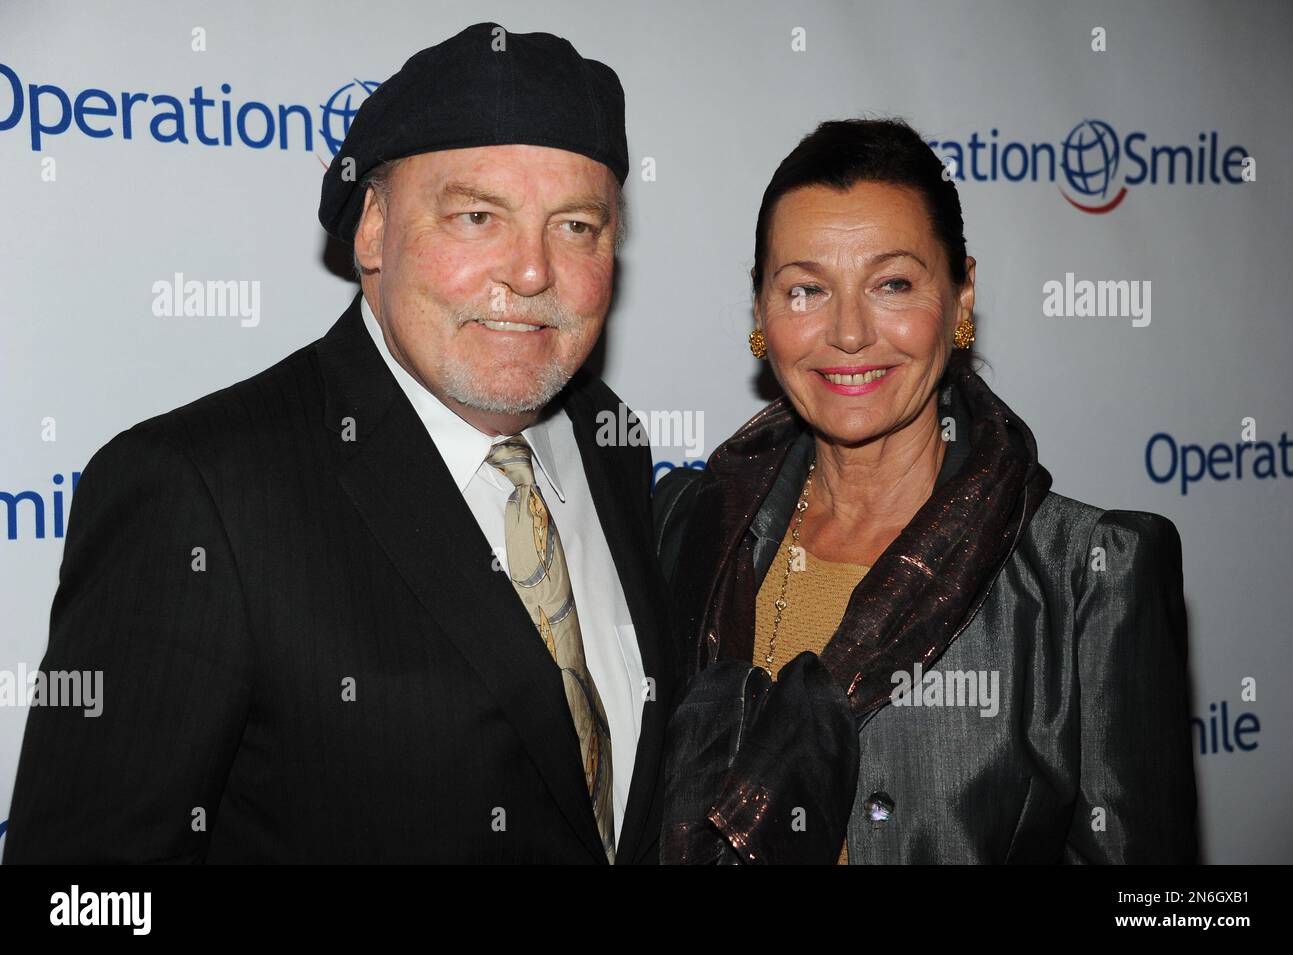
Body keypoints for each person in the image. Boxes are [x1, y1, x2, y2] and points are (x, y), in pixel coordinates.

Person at [3, 22, 675, 864]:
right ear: (372, 230)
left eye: (576, 225)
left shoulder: (611, 445)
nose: (533, 271)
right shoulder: (198, 495)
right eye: (477, 215)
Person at [653, 118, 1198, 865]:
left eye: (893, 284)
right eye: (807, 288)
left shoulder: (1089, 576)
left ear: (963, 294)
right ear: (761, 312)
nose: (848, 332)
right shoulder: (697, 530)